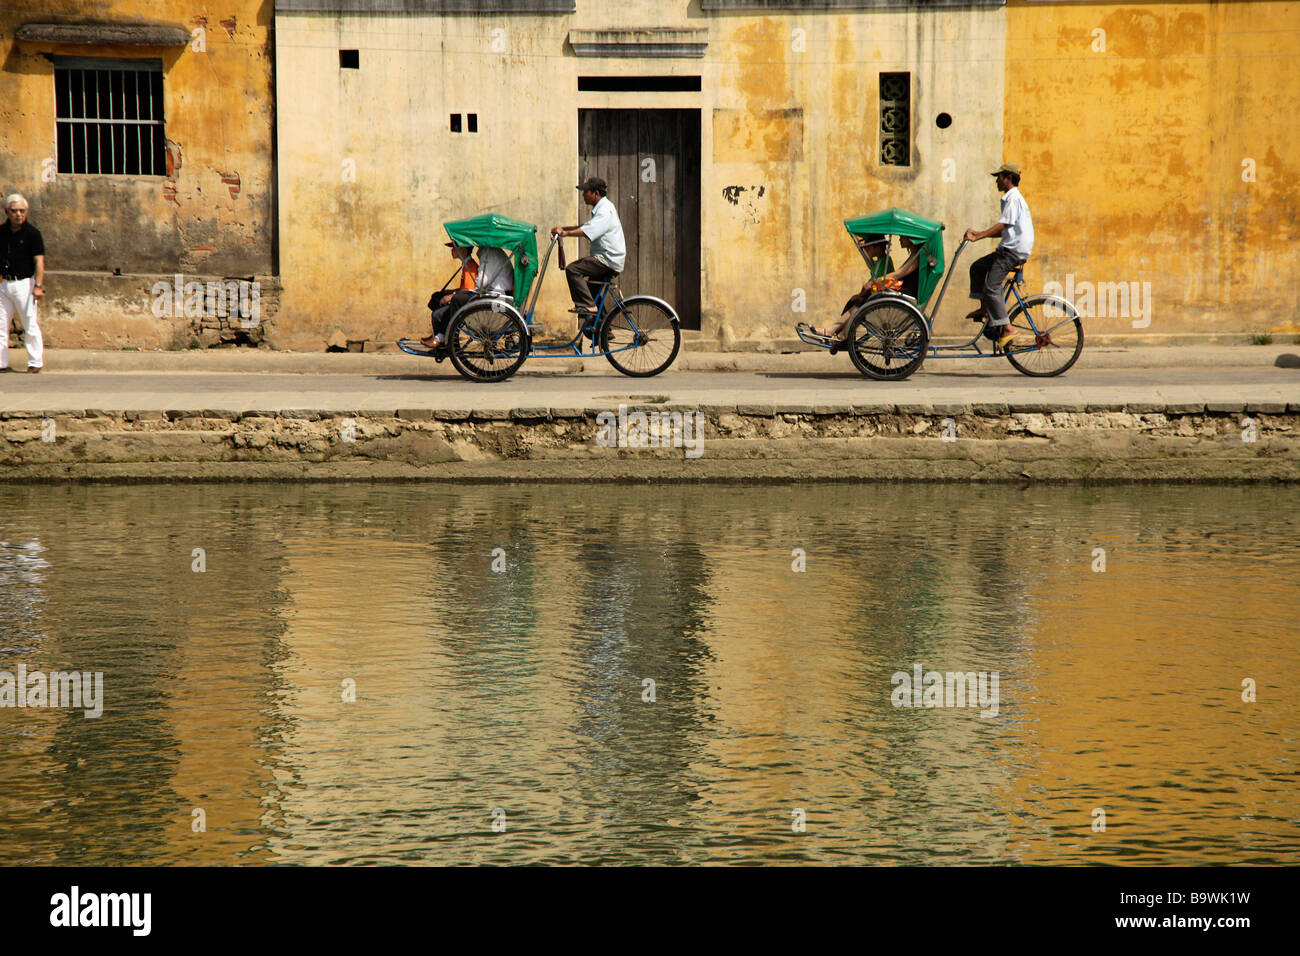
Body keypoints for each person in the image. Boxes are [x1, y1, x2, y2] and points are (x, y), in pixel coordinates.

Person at [964, 162, 1034, 351]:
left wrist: (979, 235)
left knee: (991, 288)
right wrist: (981, 233)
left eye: (999, 177)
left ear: (1008, 178)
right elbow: (1007, 228)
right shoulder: (1010, 199)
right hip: (1009, 248)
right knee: (977, 268)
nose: (997, 181)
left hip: (1012, 252)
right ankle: (985, 308)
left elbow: (1004, 224)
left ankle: (1008, 329)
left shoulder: (1013, 198)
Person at [548, 177, 625, 340]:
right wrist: (565, 228)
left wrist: (566, 233)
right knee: (591, 289)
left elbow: (588, 230)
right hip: (605, 258)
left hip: (607, 259)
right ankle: (604, 329)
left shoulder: (605, 210)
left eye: (585, 192)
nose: (583, 195)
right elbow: (586, 227)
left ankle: (588, 307)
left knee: (572, 269)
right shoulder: (601, 208)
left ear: (595, 193)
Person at [811, 234, 921, 342]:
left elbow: (897, 274)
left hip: (902, 294)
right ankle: (834, 331)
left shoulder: (916, 258)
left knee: (861, 302)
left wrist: (874, 282)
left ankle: (840, 334)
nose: (900, 239)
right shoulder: (913, 256)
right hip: (898, 292)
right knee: (859, 301)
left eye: (903, 236)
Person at [0, 193, 45, 373]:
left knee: (29, 323)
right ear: (6, 212)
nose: (18, 214)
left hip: (24, 284)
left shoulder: (33, 234)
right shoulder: (1, 233)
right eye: (14, 211)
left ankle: (35, 362)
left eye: (22, 211)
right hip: (3, 283)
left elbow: (39, 262)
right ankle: (1, 362)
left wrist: (38, 286)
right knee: (1, 324)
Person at [421, 242, 478, 349]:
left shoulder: (470, 266)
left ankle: (441, 337)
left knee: (437, 314)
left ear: (463, 250)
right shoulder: (466, 264)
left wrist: (451, 296)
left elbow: (469, 290)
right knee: (437, 296)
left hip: (465, 301)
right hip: (462, 298)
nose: (452, 250)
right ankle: (438, 335)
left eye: (454, 248)